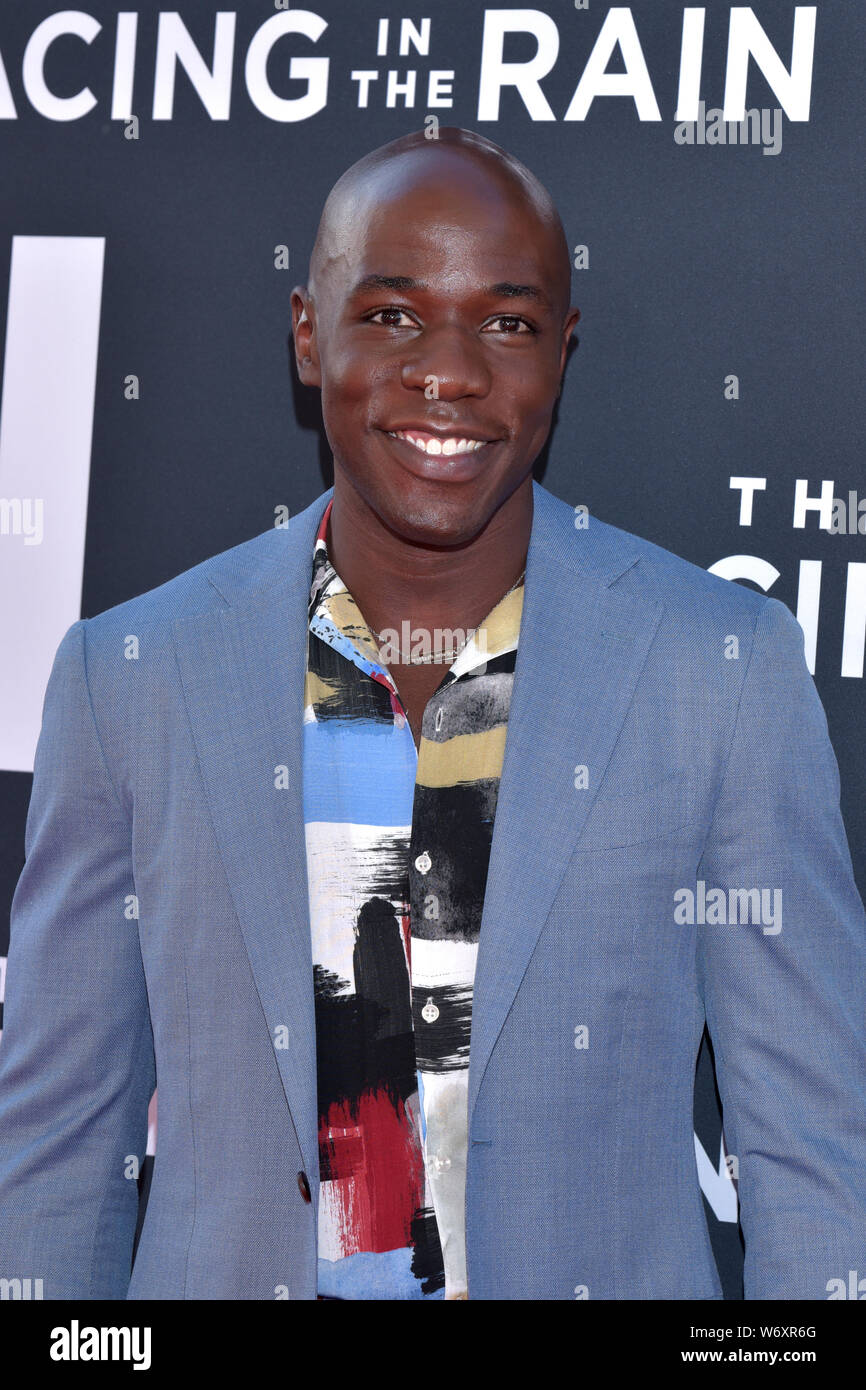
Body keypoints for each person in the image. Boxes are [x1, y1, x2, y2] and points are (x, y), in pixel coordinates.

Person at [0, 127, 864, 1301]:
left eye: (504, 323)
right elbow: (55, 1147)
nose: (447, 373)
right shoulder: (133, 677)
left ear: (560, 354)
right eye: (393, 315)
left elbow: (811, 1153)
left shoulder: (720, 671)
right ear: (309, 334)